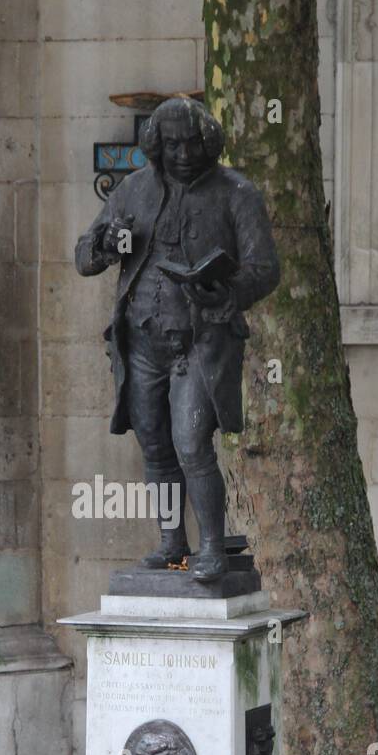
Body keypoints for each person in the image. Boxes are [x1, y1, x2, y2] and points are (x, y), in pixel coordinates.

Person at [74, 96, 279, 582]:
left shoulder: (237, 194)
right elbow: (84, 256)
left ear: (207, 143)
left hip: (200, 342)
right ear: (157, 146)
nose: (183, 153)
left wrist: (228, 289)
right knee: (156, 445)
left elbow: (265, 269)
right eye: (172, 145)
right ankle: (171, 543)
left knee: (190, 443)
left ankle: (212, 546)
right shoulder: (131, 192)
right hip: (141, 343)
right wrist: (104, 245)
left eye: (192, 143)